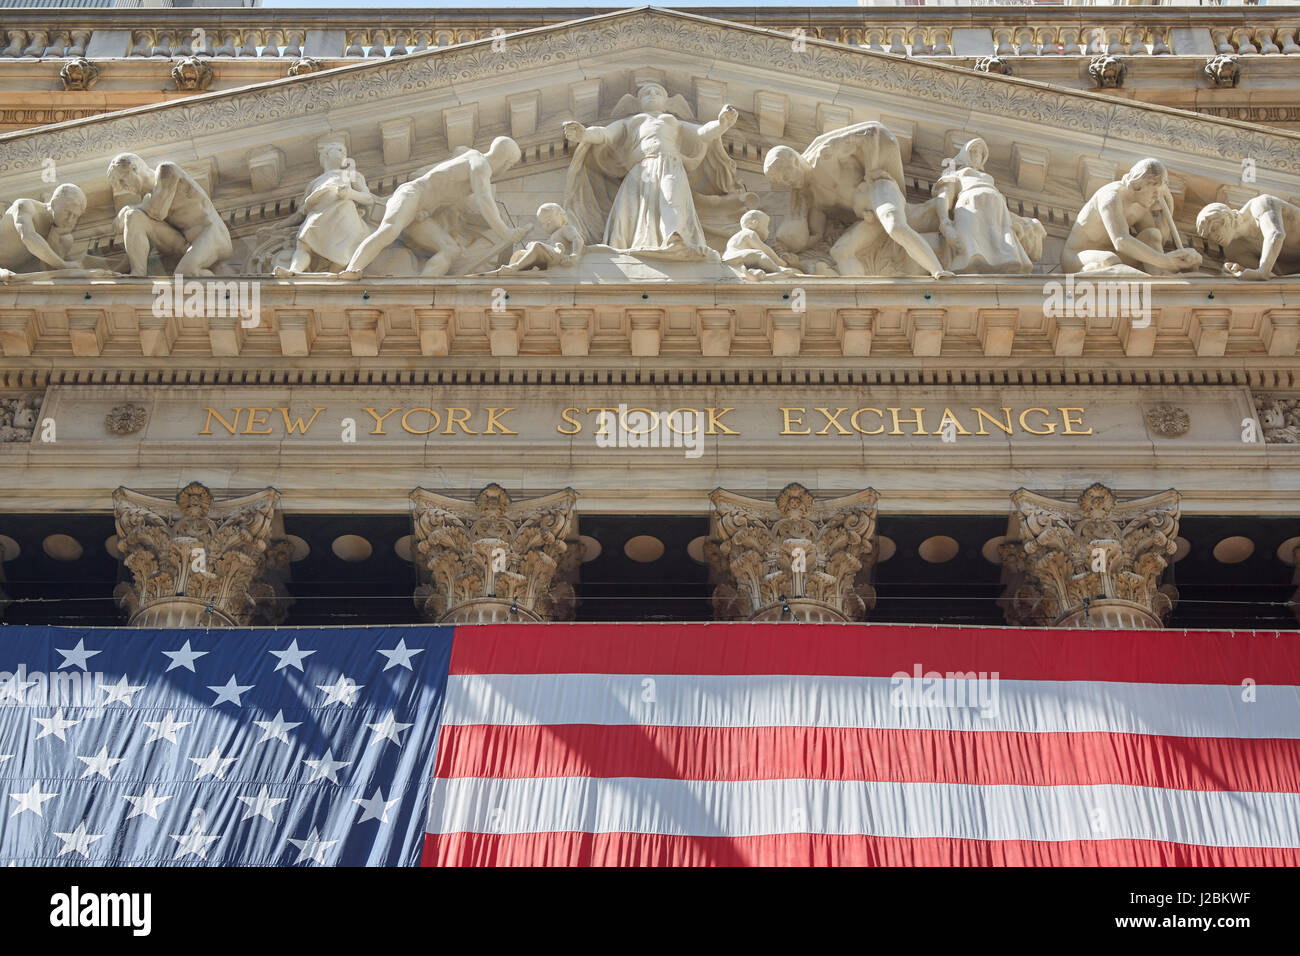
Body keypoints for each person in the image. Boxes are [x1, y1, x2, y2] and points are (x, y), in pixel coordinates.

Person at [562, 83, 746, 258]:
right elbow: (605, 134)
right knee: (631, 208)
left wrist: (722, 124)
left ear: (667, 102)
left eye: (658, 93)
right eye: (646, 93)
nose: (652, 95)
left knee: (672, 198)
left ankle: (674, 238)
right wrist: (584, 134)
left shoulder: (671, 120)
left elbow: (701, 133)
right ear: (637, 102)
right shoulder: (633, 121)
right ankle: (628, 244)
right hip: (641, 167)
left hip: (670, 165)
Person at [763, 121, 952, 279]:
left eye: (785, 174)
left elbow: (871, 133)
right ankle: (860, 301)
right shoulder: (811, 197)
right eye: (782, 181)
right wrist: (785, 253)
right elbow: (818, 234)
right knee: (840, 251)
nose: (787, 182)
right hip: (867, 217)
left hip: (878, 190)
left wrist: (871, 172)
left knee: (895, 227)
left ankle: (938, 271)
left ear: (794, 160)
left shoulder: (824, 155)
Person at [339, 136, 525, 279]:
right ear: (506, 162)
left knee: (451, 249)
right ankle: (351, 270)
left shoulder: (476, 166)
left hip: (421, 215)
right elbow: (485, 200)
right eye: (509, 165)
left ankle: (423, 290)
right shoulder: (479, 163)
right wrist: (505, 232)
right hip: (412, 195)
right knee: (389, 230)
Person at [1061, 158, 1201, 274]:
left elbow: (1156, 241)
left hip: (1117, 256)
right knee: (1109, 260)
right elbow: (1121, 241)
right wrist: (1164, 261)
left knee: (1151, 234)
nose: (1156, 198)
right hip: (1077, 257)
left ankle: (1161, 279)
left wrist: (1169, 207)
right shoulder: (1111, 197)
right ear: (1138, 185)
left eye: (1160, 193)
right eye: (1154, 193)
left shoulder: (1140, 205)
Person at [107, 153, 232, 277]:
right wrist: (112, 273)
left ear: (134, 168)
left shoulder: (166, 170)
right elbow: (135, 243)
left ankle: (209, 275)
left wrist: (127, 208)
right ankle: (138, 274)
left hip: (212, 235)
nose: (125, 187)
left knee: (183, 275)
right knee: (133, 216)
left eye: (122, 180)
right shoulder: (147, 201)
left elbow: (158, 211)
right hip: (185, 244)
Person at [931, 138, 1035, 274]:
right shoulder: (955, 173)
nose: (976, 155)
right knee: (969, 250)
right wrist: (945, 222)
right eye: (973, 151)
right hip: (970, 207)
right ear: (965, 154)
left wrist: (1021, 222)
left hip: (997, 213)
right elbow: (944, 196)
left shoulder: (986, 177)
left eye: (980, 152)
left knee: (1004, 249)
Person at [281, 141, 376, 274]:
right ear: (325, 155)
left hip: (343, 213)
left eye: (343, 151)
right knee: (304, 243)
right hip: (318, 214)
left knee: (343, 249)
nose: (342, 153)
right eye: (338, 149)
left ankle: (335, 276)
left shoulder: (351, 175)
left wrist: (350, 193)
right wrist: (276, 227)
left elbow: (368, 198)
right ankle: (293, 271)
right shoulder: (313, 183)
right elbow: (300, 213)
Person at [1196, 195, 1300, 280]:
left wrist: (1263, 271)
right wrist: (1240, 270)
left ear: (1228, 218)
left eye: (1214, 229)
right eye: (1209, 236)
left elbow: (1275, 234)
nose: (1214, 237)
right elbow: (1274, 274)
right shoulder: (1234, 251)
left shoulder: (1260, 204)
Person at [0, 184, 87, 277]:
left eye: (75, 216)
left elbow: (50, 271)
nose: (70, 220)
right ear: (54, 204)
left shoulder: (63, 238)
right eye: (67, 212)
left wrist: (55, 235)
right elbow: (29, 237)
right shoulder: (26, 206)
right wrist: (63, 264)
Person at [497, 203, 584, 273]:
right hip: (549, 256)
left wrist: (575, 256)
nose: (547, 225)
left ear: (560, 215)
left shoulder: (566, 229)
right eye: (543, 223)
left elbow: (577, 239)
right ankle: (518, 269)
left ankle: (515, 267)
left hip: (558, 255)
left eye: (549, 220)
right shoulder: (552, 236)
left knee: (537, 246)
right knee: (520, 253)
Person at [722, 210, 798, 278]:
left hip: (730, 258)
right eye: (766, 227)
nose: (768, 231)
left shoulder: (740, 235)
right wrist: (779, 262)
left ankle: (759, 273)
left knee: (756, 257)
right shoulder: (749, 233)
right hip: (733, 257)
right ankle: (778, 269)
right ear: (754, 223)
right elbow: (764, 249)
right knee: (759, 254)